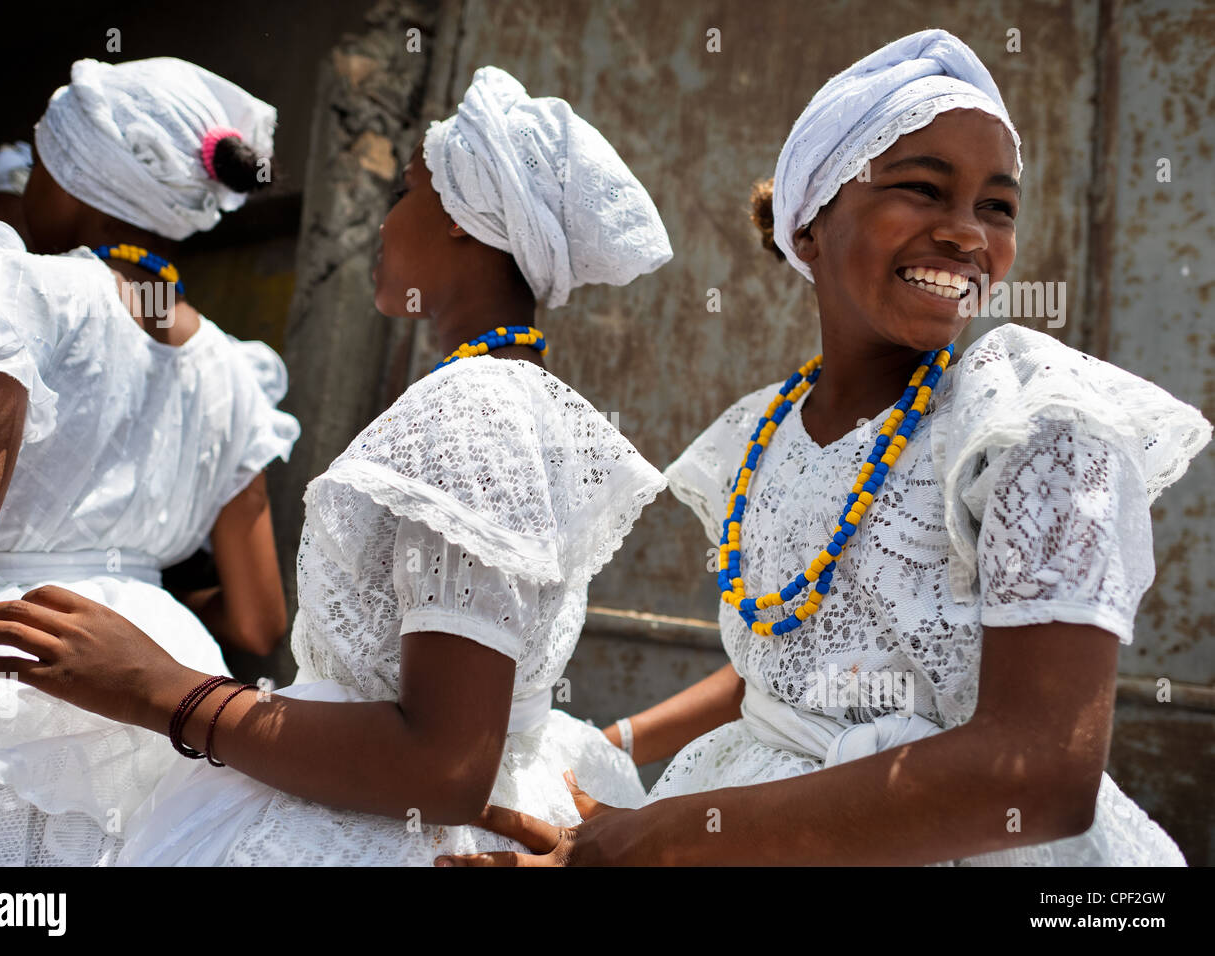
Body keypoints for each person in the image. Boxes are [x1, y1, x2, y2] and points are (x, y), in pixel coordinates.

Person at [437, 30, 1210, 867]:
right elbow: (795, 668)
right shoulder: (761, 433)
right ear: (808, 229)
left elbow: (1037, 775)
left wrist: (659, 836)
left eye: (998, 205)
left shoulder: (1034, 427)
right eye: (922, 189)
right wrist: (606, 747)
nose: (967, 234)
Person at [0, 65, 674, 866]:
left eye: (404, 193)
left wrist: (162, 688)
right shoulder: (501, 399)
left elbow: (442, 763)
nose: (382, 224)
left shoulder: (477, 414)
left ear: (458, 219)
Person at [0, 57, 299, 865]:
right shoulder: (235, 371)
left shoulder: (14, 291)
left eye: (41, 160)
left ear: (81, 180)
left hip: (3, 671)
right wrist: (129, 576)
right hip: (162, 681)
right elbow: (262, 619)